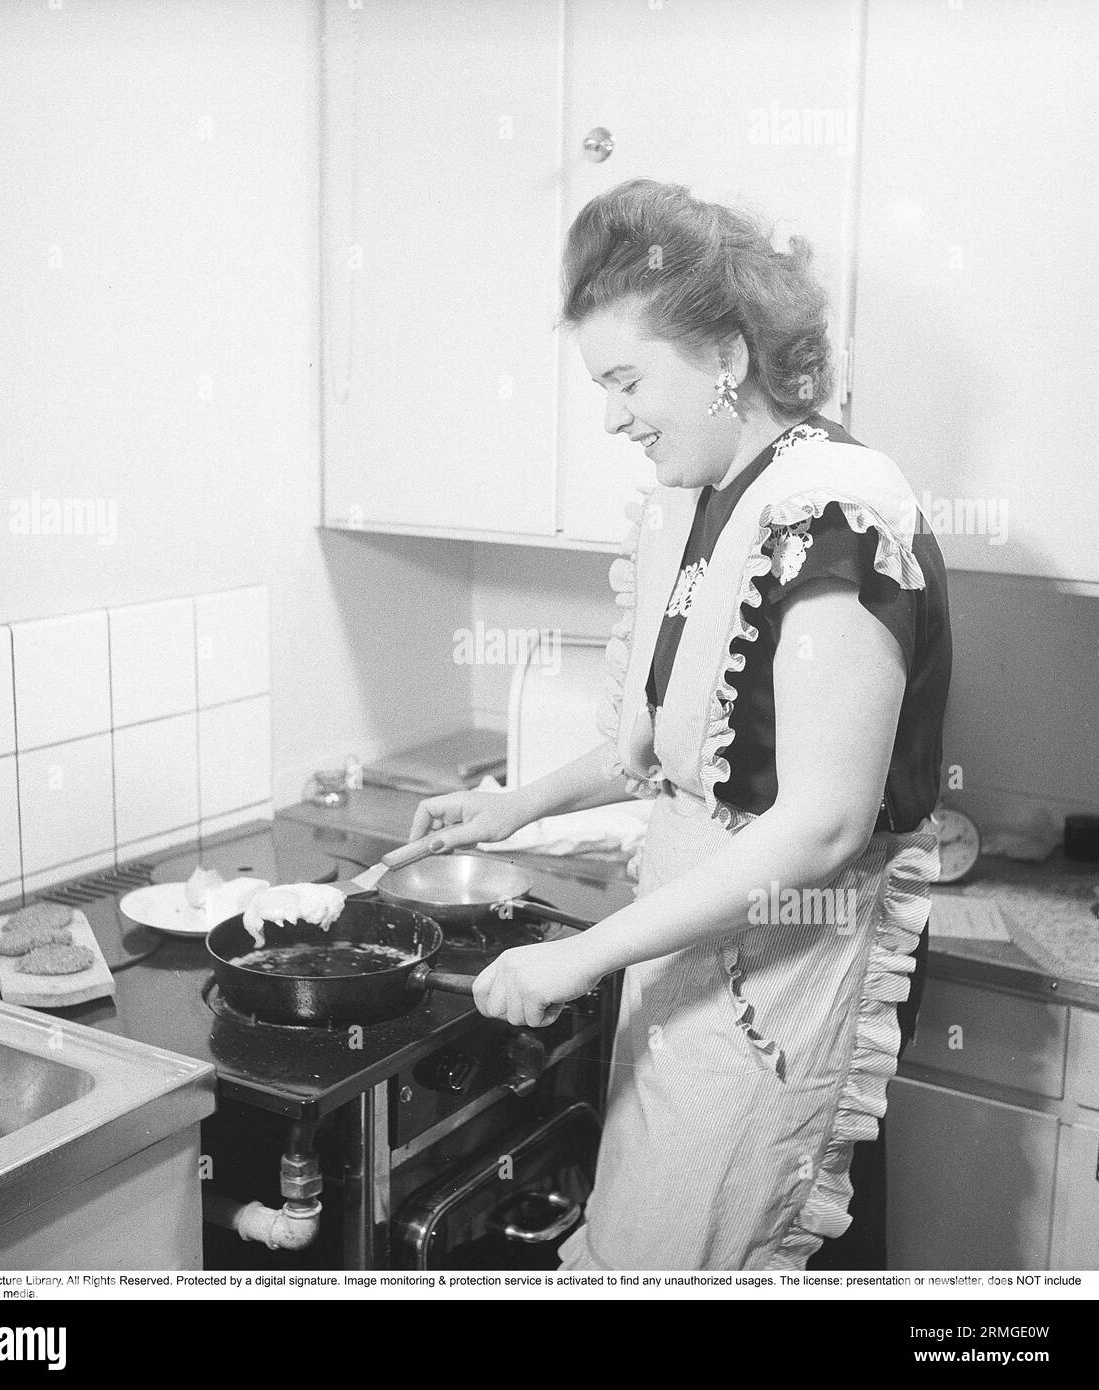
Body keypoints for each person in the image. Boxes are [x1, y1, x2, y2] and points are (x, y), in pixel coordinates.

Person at [409, 179, 951, 1271]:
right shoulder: (706, 498)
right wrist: (511, 805)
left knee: (720, 1241)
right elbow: (663, 755)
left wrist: (581, 958)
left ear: (724, 358)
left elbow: (822, 825)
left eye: (623, 378)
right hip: (692, 949)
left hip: (781, 978)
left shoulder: (831, 513)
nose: (611, 414)